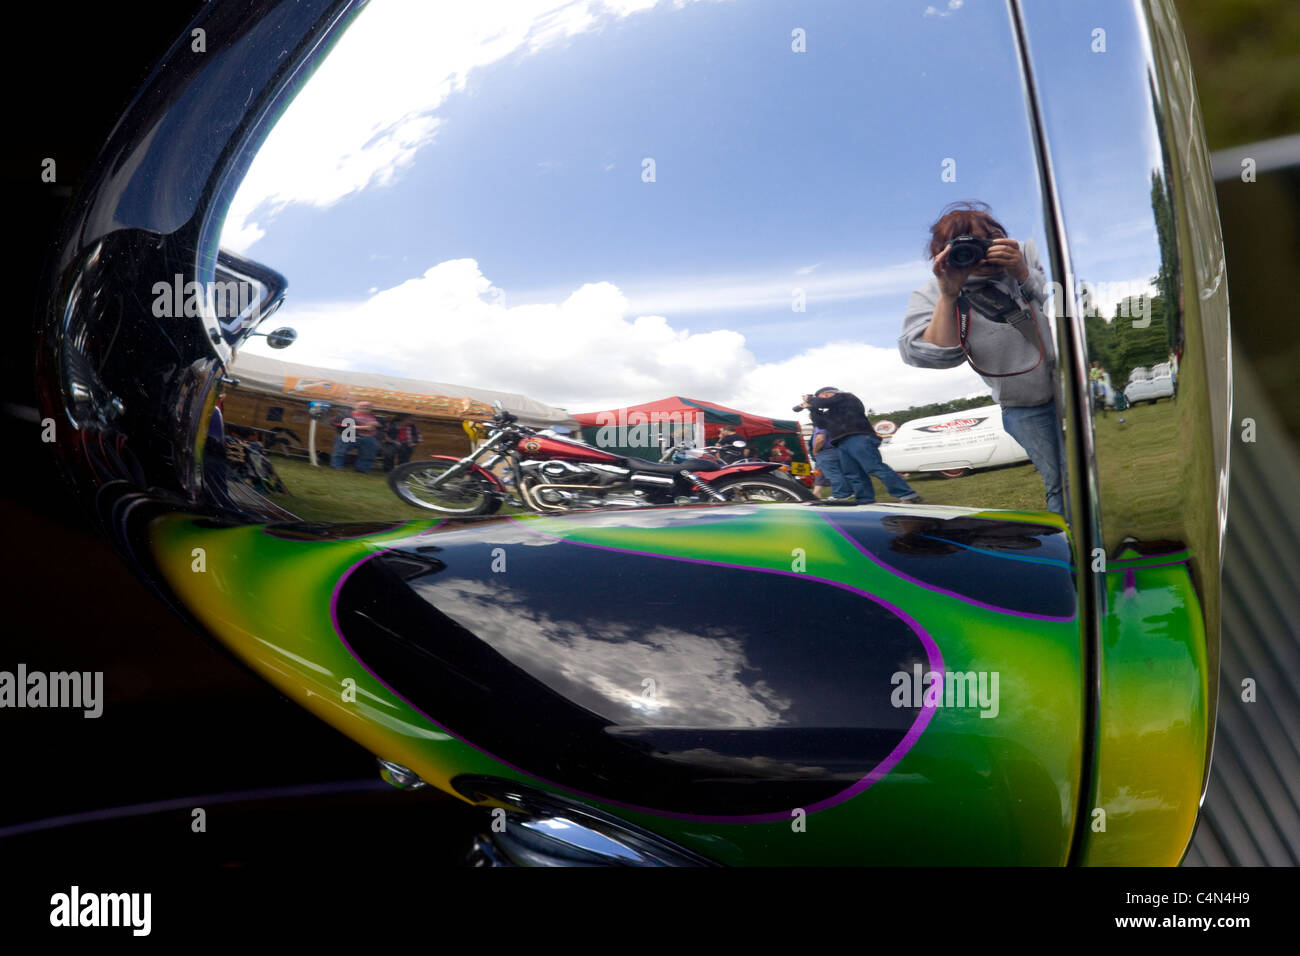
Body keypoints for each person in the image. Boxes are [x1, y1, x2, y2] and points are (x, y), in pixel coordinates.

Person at [899, 201, 1065, 517]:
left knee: (1100, 466)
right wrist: (949, 295)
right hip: (1027, 407)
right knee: (1060, 480)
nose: (980, 253)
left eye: (987, 241)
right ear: (942, 254)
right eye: (966, 246)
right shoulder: (932, 294)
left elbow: (1074, 306)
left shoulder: (1029, 257)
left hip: (1078, 389)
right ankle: (1074, 554)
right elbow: (931, 356)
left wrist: (1023, 274)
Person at [801, 387, 920, 505]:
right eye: (821, 397)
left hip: (858, 436)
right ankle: (865, 499)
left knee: (873, 467)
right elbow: (821, 424)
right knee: (853, 473)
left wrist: (811, 399)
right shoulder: (831, 412)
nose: (823, 398)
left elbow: (825, 402)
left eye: (825, 395)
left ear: (834, 393)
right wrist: (813, 410)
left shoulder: (847, 397)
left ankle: (907, 494)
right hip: (841, 442)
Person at [331, 400, 381, 472]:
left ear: (371, 408)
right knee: (340, 450)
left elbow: (382, 427)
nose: (365, 407)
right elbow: (341, 424)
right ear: (355, 406)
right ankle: (337, 466)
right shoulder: (346, 414)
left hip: (367, 437)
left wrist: (377, 424)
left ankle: (363, 469)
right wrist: (364, 427)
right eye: (362, 405)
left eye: (368, 406)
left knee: (368, 451)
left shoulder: (375, 417)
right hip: (348, 435)